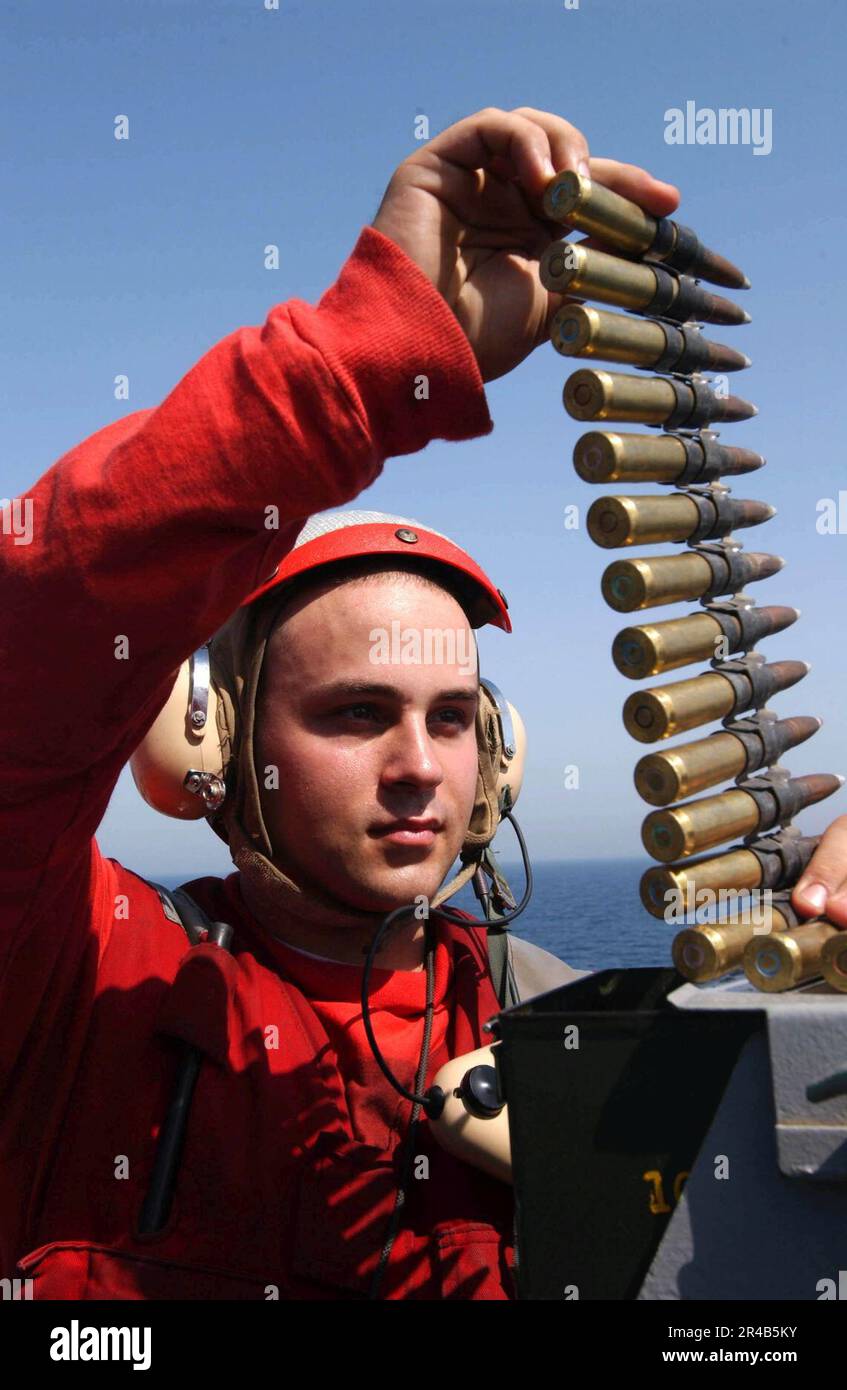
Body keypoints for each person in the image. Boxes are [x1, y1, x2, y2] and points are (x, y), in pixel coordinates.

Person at [1, 105, 844, 1302]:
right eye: (352, 713)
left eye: (453, 718)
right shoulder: (82, 981)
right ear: (221, 744)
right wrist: (371, 351)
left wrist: (813, 962)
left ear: (497, 754)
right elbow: (38, 624)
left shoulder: (567, 1021)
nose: (419, 766)